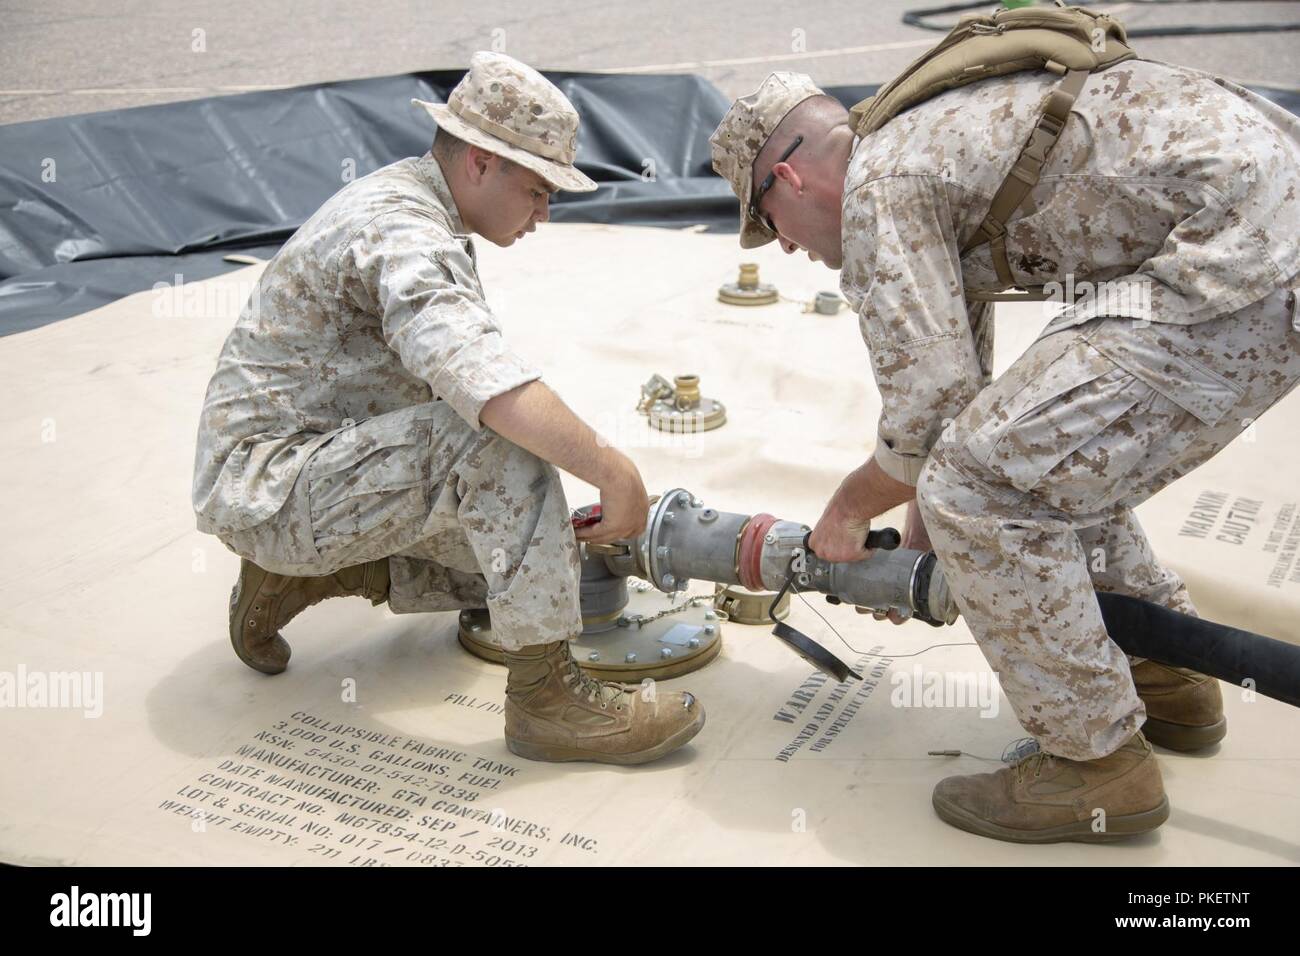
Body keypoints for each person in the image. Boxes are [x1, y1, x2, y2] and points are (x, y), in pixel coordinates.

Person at [710, 61, 1300, 842]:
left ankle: (1095, 764)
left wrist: (846, 515)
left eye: (768, 221)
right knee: (1018, 454)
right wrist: (927, 522)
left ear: (789, 177)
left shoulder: (877, 187)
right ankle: (1163, 673)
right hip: (1262, 217)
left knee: (983, 485)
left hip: (1236, 257)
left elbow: (927, 420)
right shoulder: (918, 139)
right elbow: (959, 396)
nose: (783, 247)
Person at [193, 51, 705, 766]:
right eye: (536, 189)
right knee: (501, 448)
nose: (544, 212)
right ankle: (547, 705)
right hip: (273, 488)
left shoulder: (417, 205)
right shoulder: (404, 232)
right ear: (479, 165)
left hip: (303, 468)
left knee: (535, 561)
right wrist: (614, 470)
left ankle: (308, 572)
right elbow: (492, 393)